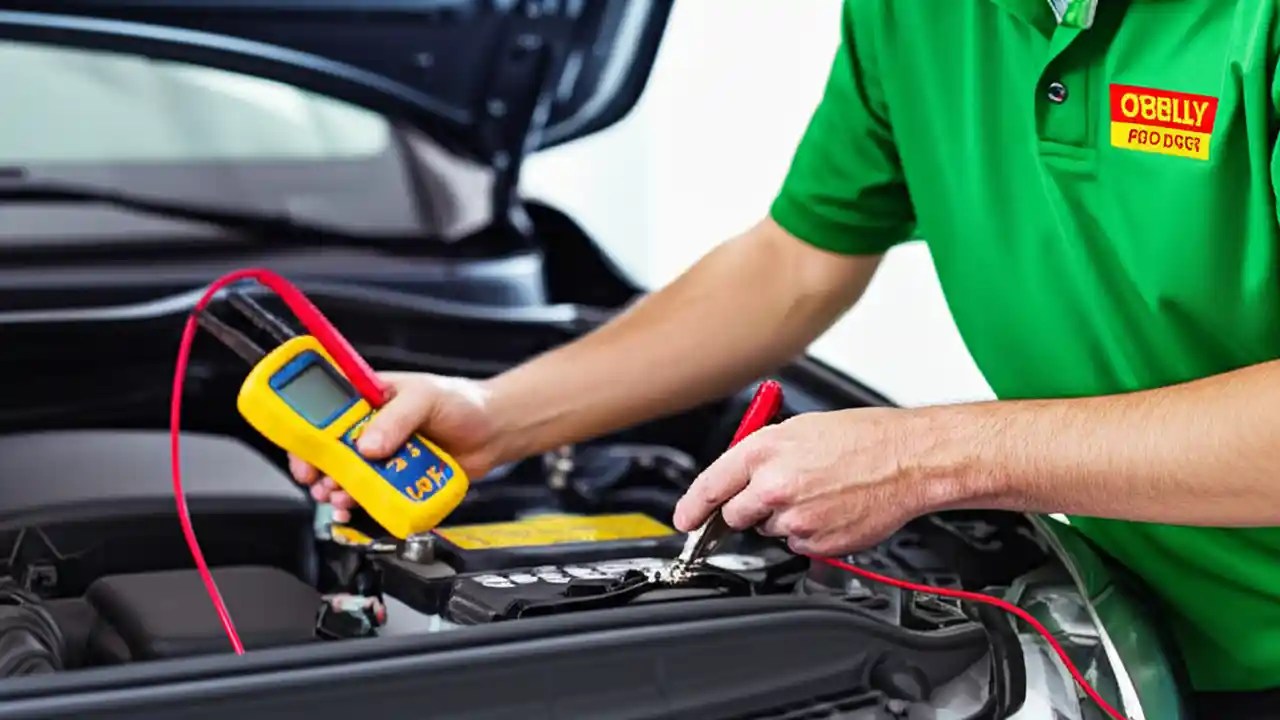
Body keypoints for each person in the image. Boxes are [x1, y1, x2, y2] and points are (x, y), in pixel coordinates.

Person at [292, 1, 1280, 716]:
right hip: (1131, 628)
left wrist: (930, 456)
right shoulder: (917, 15)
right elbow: (795, 263)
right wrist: (497, 416)